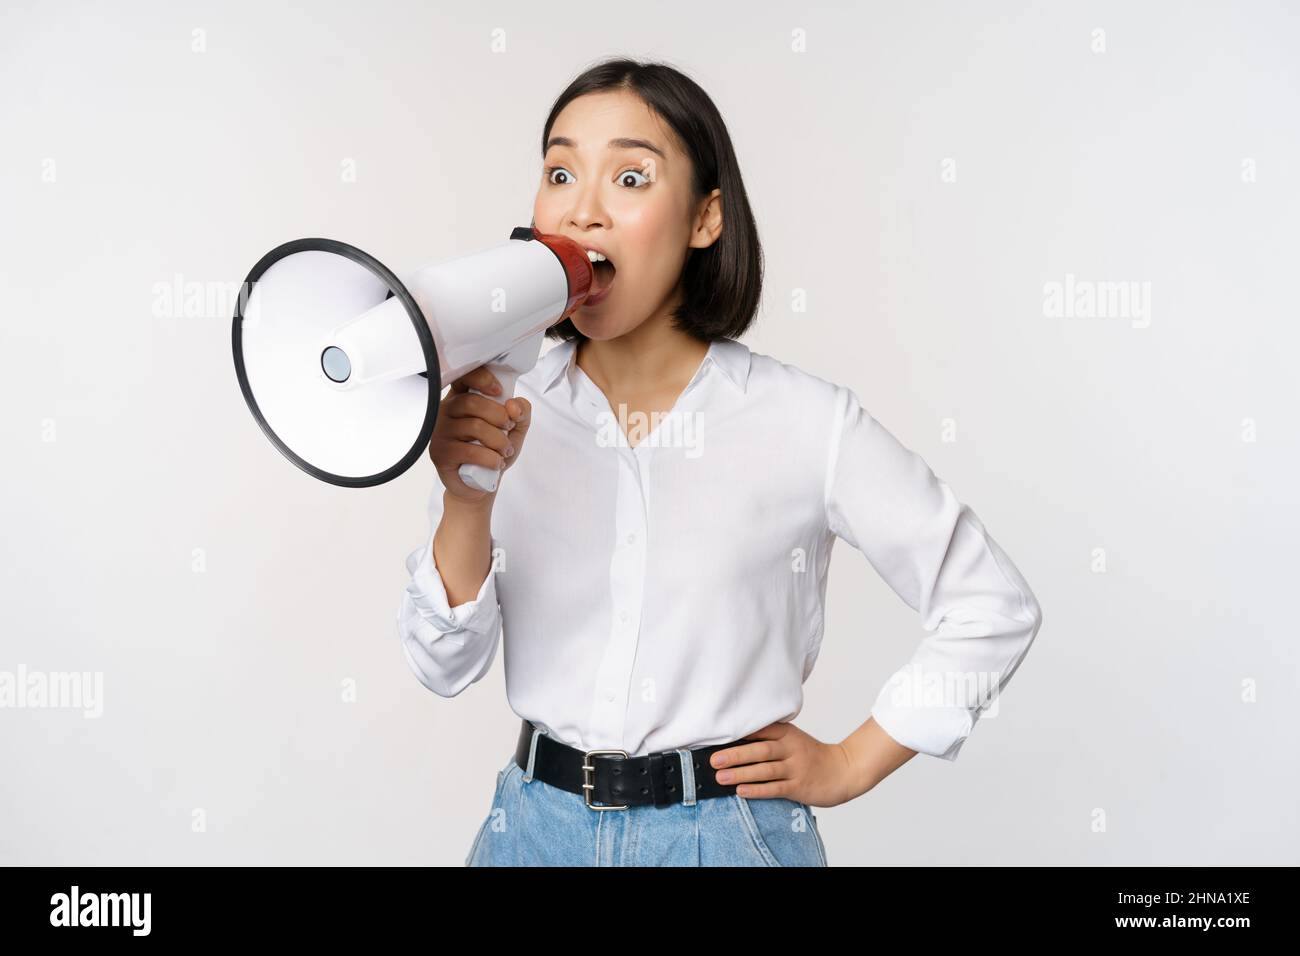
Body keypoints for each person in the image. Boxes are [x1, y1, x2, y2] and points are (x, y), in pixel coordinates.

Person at [397, 57, 1043, 867]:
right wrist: (466, 501)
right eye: (560, 172)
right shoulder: (498, 402)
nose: (584, 210)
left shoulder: (805, 421)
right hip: (531, 832)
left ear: (706, 219)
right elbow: (443, 666)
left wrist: (852, 762)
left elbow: (991, 606)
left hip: (727, 839)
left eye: (630, 177)